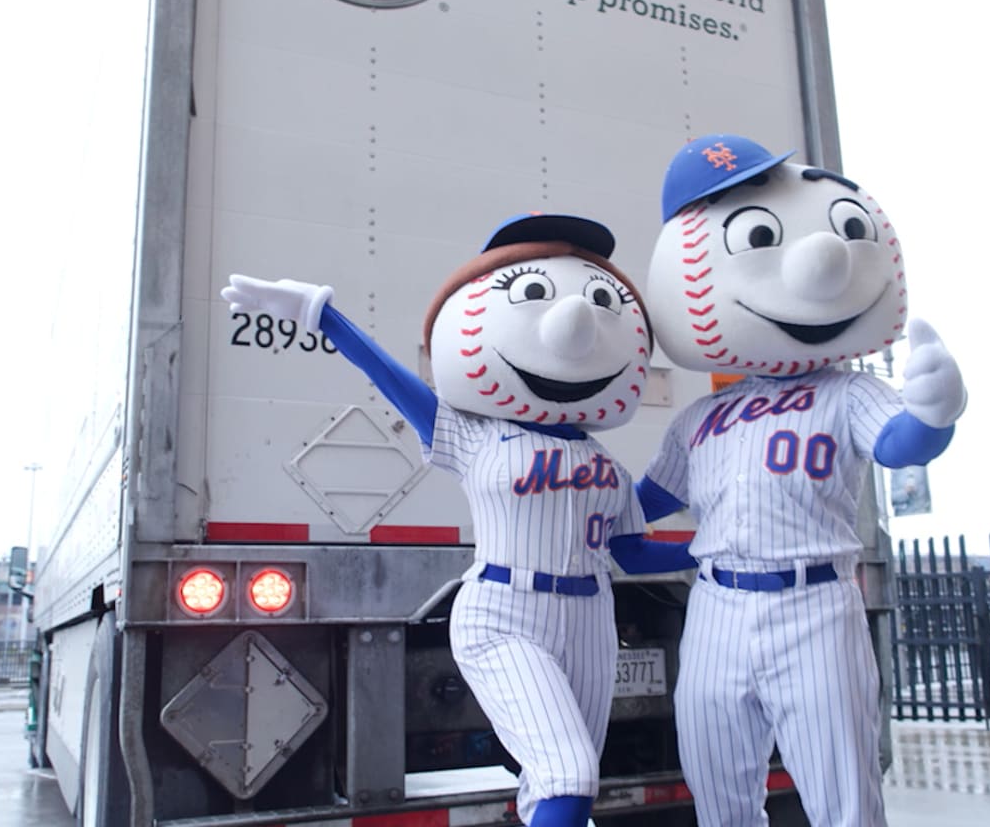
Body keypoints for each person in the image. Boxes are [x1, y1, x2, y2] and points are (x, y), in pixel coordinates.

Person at [222, 213, 688, 827]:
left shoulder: (601, 459)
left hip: (591, 618)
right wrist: (322, 314)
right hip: (504, 611)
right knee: (567, 773)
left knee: (563, 778)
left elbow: (632, 551)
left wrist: (716, 551)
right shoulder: (472, 436)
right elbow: (389, 379)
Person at [633, 135, 968, 827]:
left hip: (814, 605)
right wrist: (592, 511)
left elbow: (904, 446)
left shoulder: (844, 392)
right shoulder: (700, 419)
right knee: (721, 802)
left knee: (843, 801)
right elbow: (636, 522)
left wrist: (936, 414)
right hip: (717, 609)